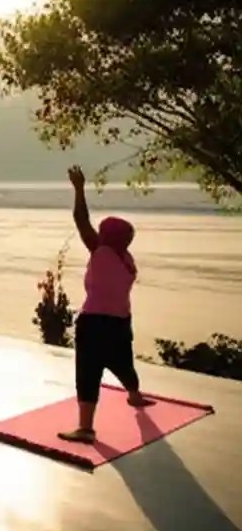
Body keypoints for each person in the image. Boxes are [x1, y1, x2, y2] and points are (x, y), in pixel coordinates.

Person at [58, 165, 153, 443]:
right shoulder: (127, 260)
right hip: (121, 320)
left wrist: (78, 189)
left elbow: (80, 219)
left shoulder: (101, 252)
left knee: (88, 370)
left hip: (94, 321)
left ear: (106, 237)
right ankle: (134, 396)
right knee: (123, 361)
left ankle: (86, 429)